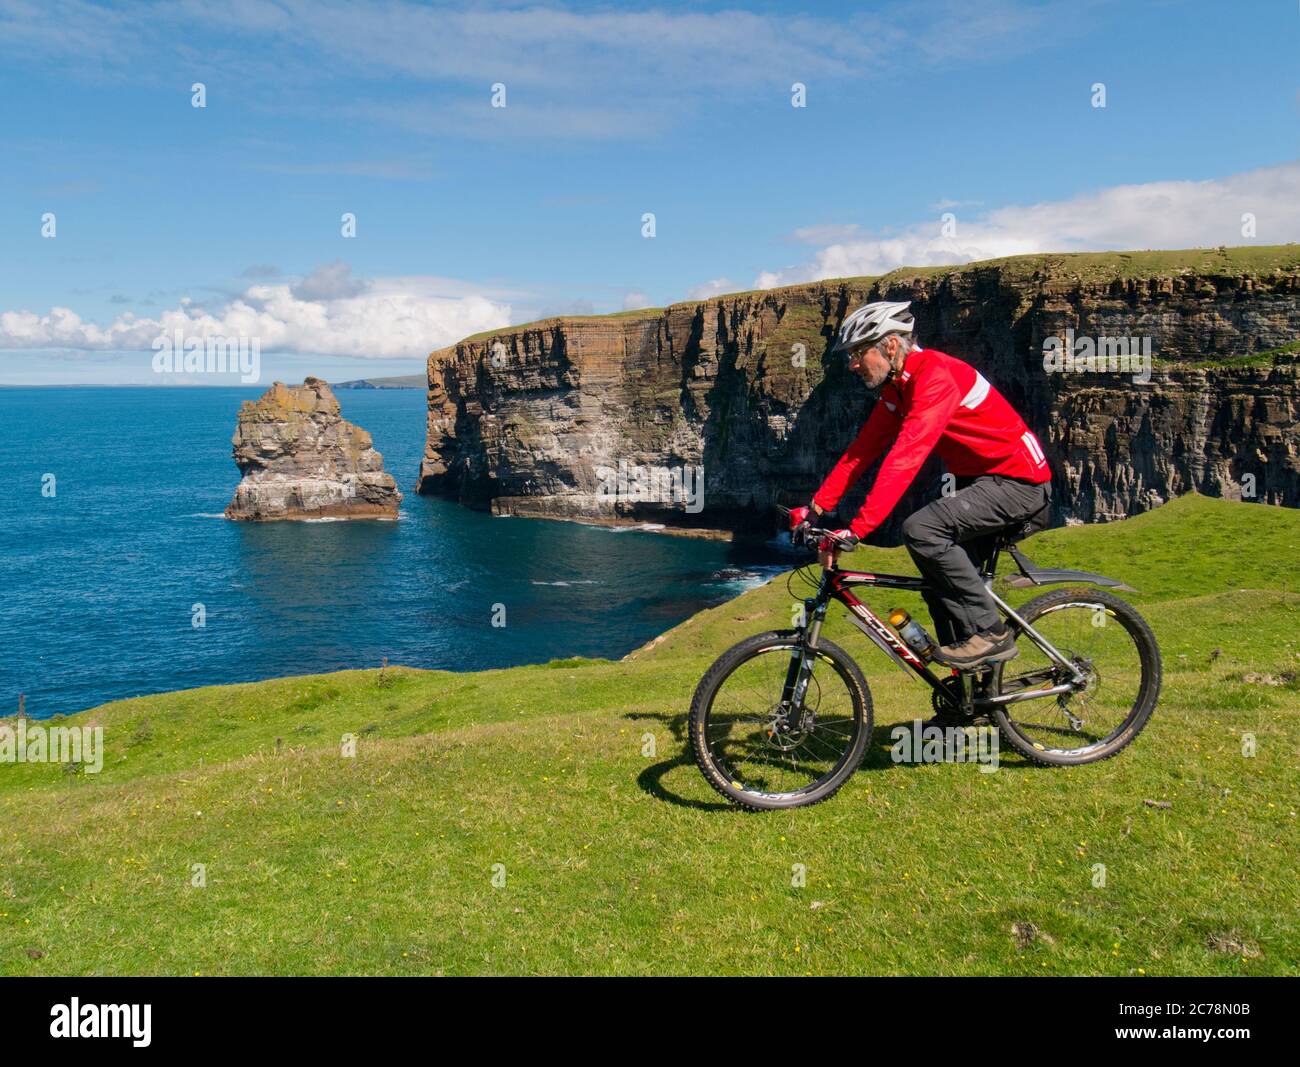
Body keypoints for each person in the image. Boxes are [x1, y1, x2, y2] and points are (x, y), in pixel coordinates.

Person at [795, 300, 1051, 670]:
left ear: (891, 346)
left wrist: (857, 530)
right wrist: (816, 508)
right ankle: (964, 702)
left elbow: (906, 457)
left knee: (921, 529)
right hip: (979, 481)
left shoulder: (935, 376)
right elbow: (862, 452)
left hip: (1019, 482)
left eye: (857, 353)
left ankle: (991, 634)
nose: (852, 364)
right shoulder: (898, 388)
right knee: (940, 589)